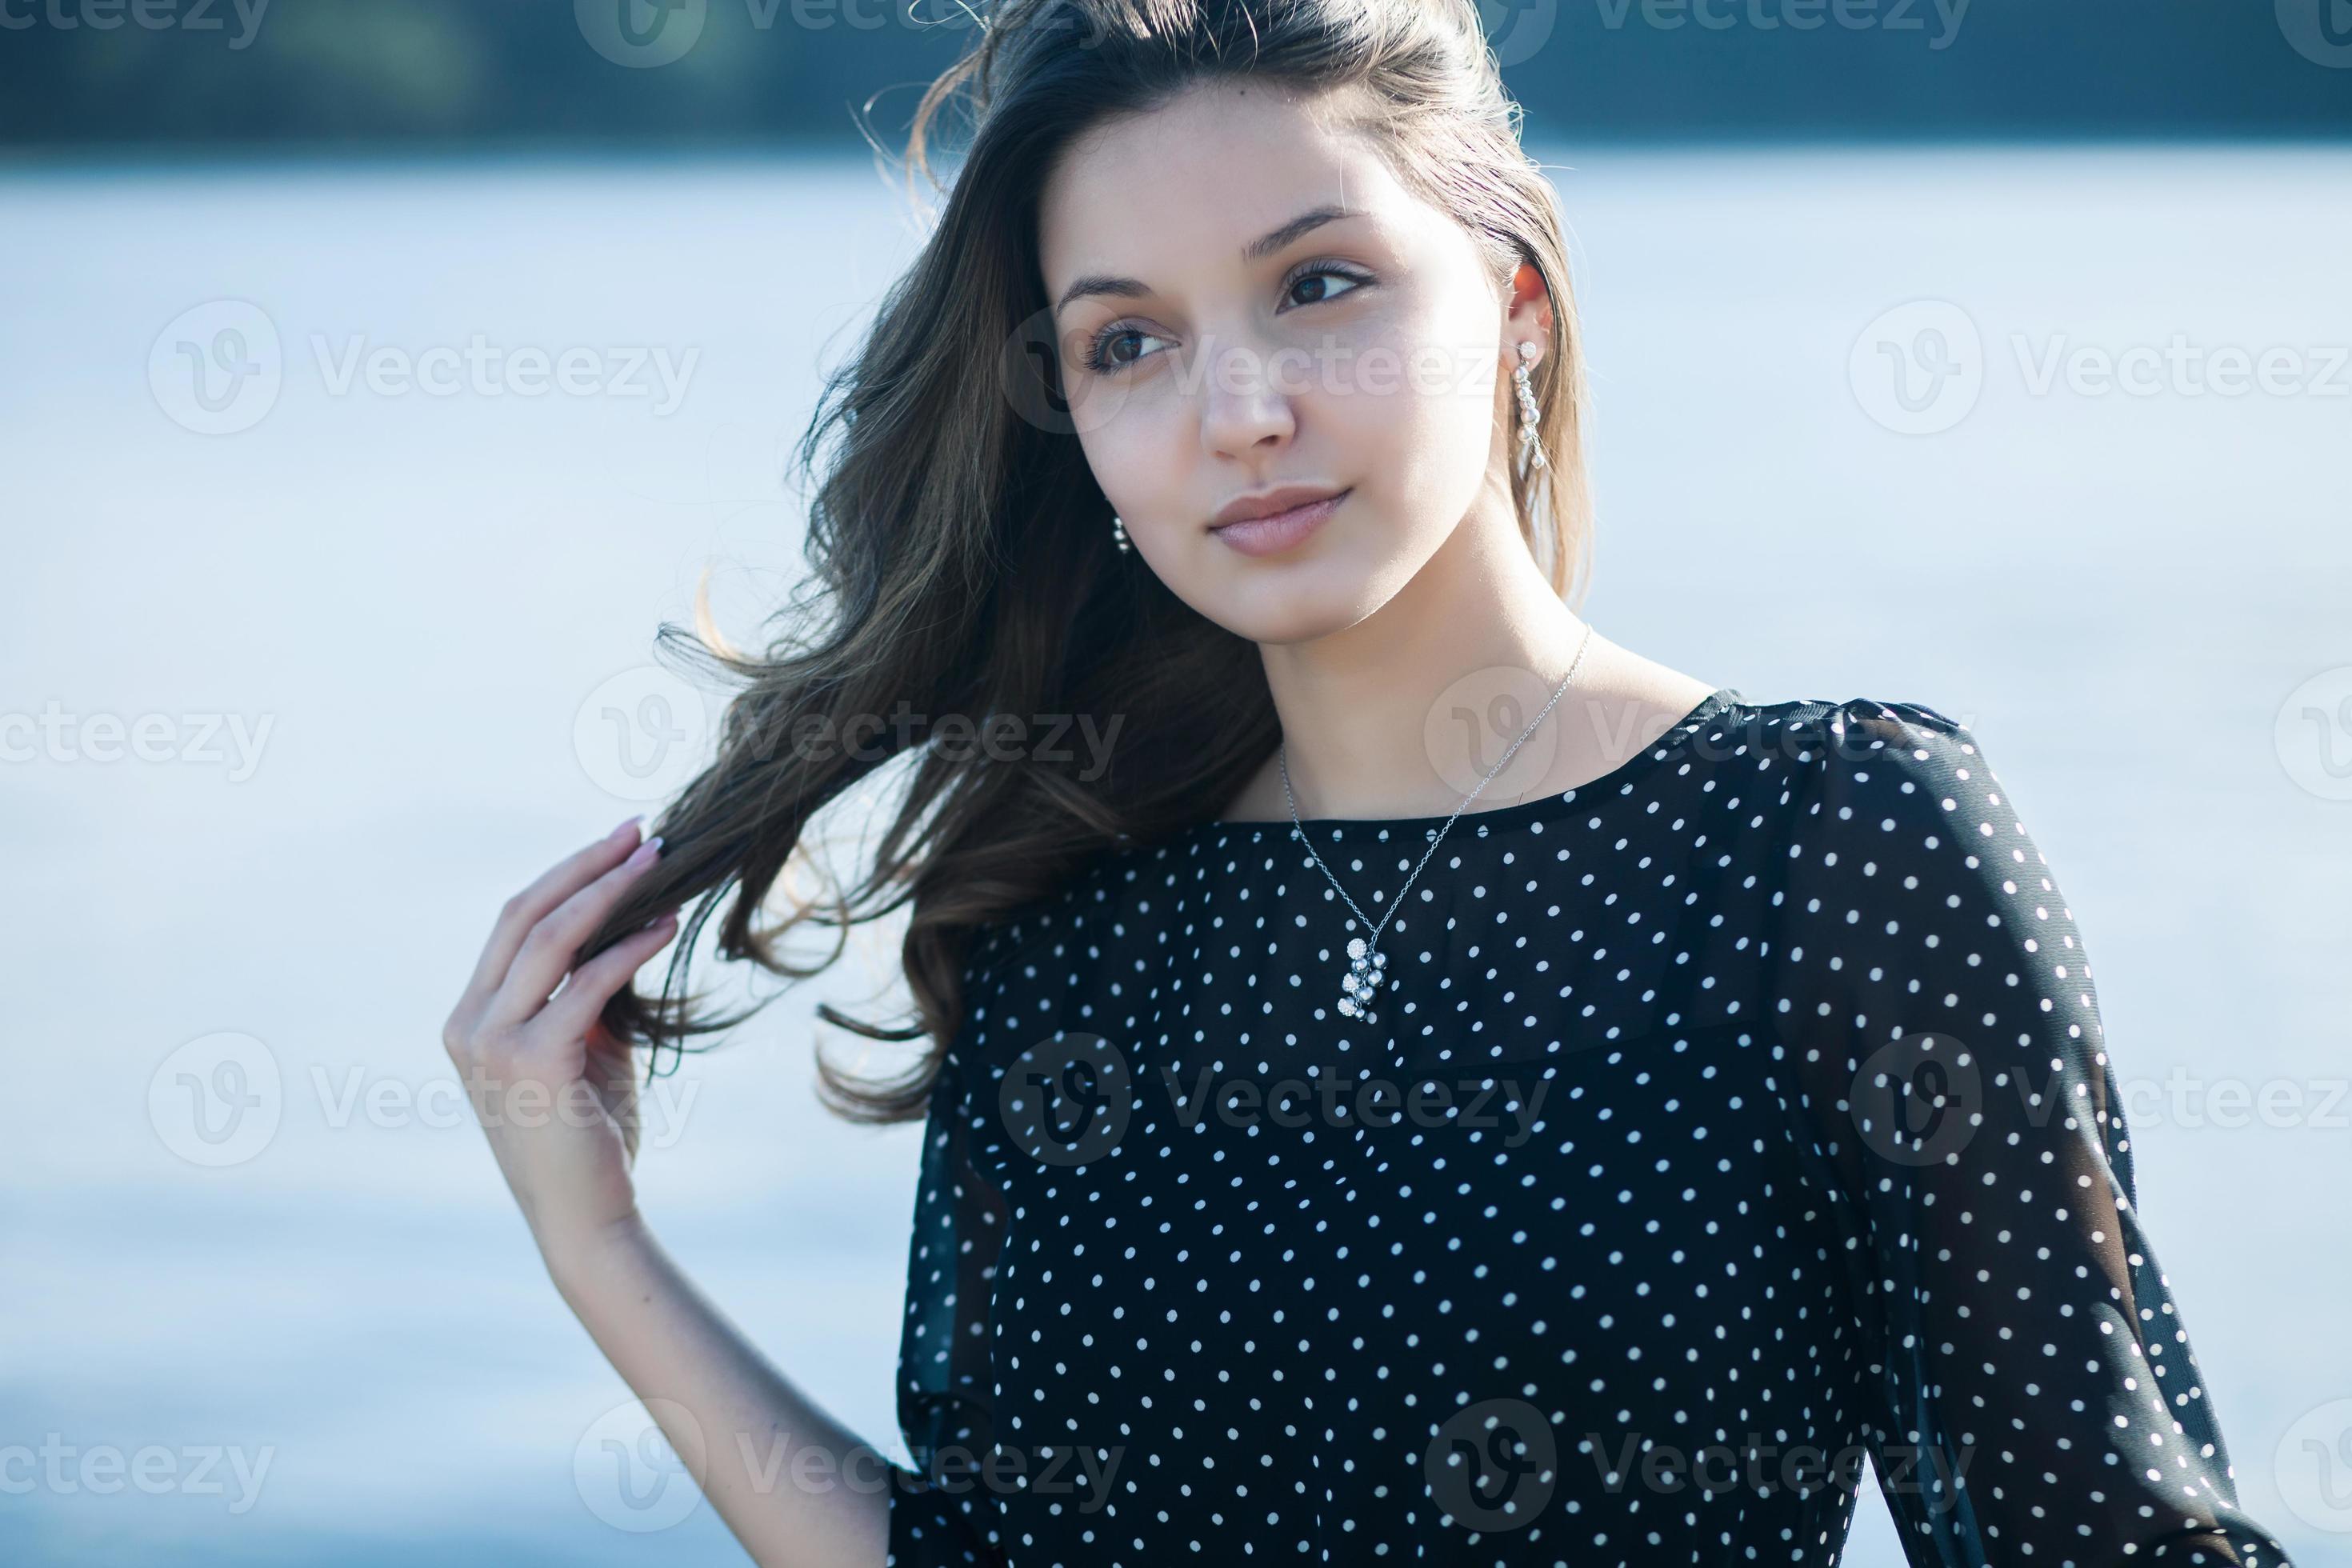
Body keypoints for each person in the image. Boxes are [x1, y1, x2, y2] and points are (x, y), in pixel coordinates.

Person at [439, 1, 2298, 1562]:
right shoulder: (1069, 917)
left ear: (1515, 300)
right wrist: (596, 1243)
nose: (1236, 410)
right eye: (1129, 341)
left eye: (1318, 286)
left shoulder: (1834, 838)